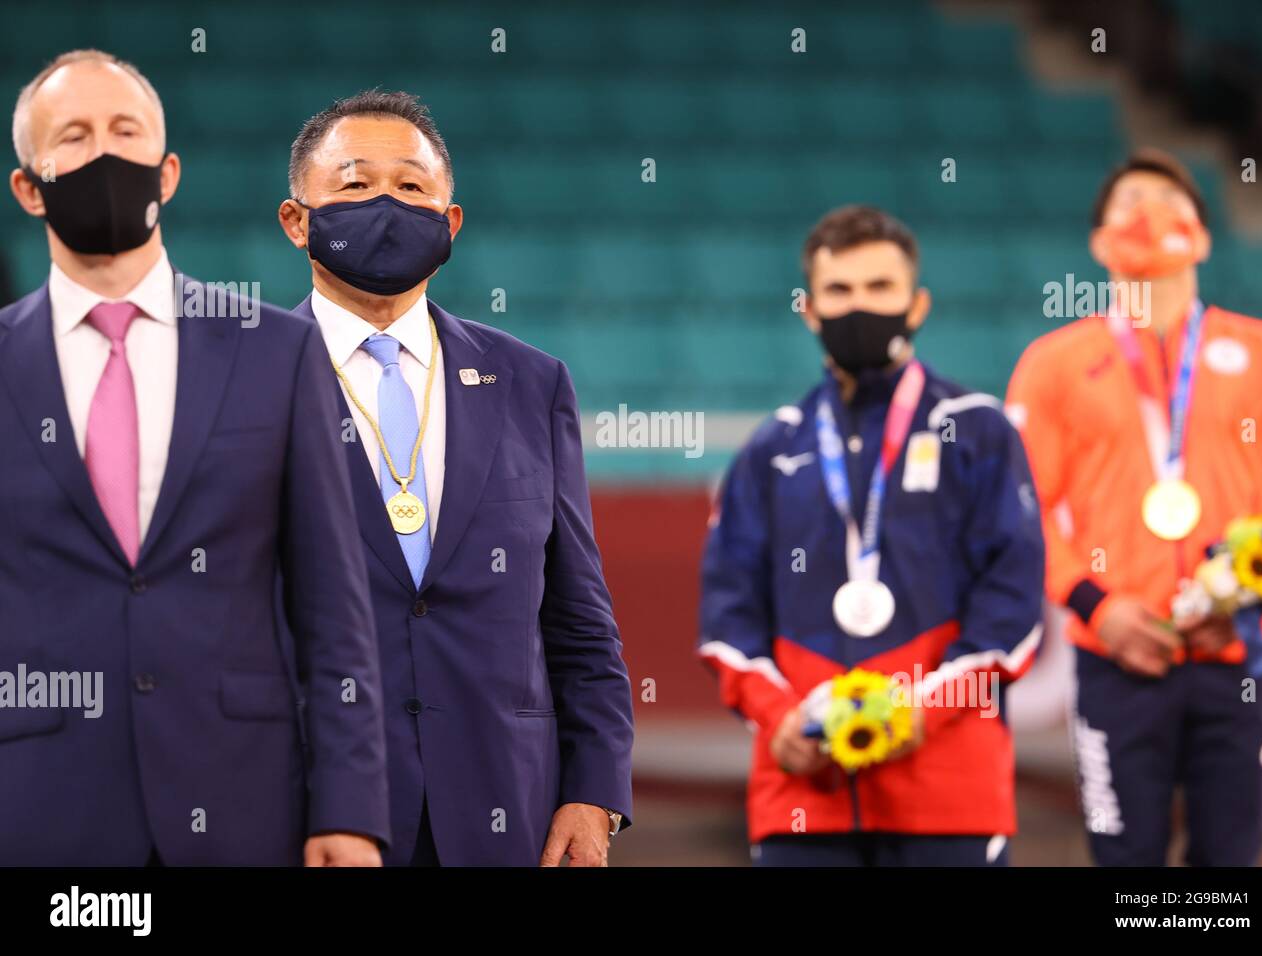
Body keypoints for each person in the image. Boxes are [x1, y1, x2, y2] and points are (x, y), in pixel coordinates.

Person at [0, 50, 389, 866]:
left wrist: (350, 811)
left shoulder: (276, 352)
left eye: (125, 130)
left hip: (247, 805)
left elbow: (335, 609)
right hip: (38, 809)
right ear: (29, 187)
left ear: (166, 171)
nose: (104, 153)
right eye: (72, 136)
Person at [276, 90, 634, 866]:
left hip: (511, 810)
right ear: (297, 220)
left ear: (450, 222)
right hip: (312, 816)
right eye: (353, 184)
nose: (384, 205)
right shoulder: (240, 380)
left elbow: (578, 616)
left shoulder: (531, 383)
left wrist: (596, 789)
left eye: (410, 187)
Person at [698, 205, 1044, 866]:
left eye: (880, 289)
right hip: (804, 793)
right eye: (840, 291)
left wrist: (925, 709)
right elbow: (727, 615)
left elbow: (1014, 607)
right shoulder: (773, 449)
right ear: (809, 308)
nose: (859, 306)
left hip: (948, 793)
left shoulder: (977, 432)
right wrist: (780, 720)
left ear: (917, 305)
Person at [1006, 148, 1262, 866]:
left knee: (1226, 867)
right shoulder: (1055, 363)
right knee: (1124, 866)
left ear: (1200, 232)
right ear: (1100, 242)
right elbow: (1020, 508)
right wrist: (1096, 604)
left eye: (1169, 199)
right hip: (1114, 658)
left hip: (1237, 647)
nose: (1149, 213)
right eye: (1129, 201)